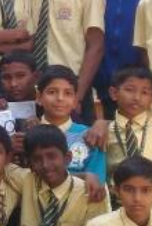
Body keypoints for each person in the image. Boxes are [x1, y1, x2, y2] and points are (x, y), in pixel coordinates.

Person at [103, 65, 152, 206]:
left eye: (145, 92)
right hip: (123, 205)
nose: (136, 97)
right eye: (129, 90)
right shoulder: (106, 132)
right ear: (114, 93)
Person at [34, 66, 107, 195]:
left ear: (75, 101)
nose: (60, 98)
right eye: (52, 92)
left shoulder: (89, 137)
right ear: (39, 97)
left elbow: (95, 182)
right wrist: (81, 176)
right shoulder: (27, 133)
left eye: (68, 93)